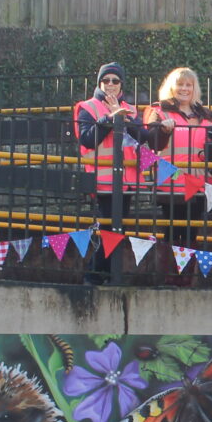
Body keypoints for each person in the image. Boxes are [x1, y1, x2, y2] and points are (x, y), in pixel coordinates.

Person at [73, 61, 146, 284]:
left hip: (126, 180)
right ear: (99, 83)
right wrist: (109, 120)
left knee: (118, 229)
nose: (110, 84)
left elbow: (142, 139)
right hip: (102, 179)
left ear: (121, 84)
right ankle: (95, 274)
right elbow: (87, 139)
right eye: (106, 80)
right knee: (109, 228)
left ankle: (104, 274)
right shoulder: (88, 107)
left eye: (115, 80)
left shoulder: (131, 109)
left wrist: (125, 119)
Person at [143, 67, 212, 269]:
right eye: (180, 84)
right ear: (171, 87)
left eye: (189, 84)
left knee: (191, 232)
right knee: (171, 230)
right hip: (171, 182)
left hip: (199, 183)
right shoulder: (158, 111)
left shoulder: (207, 114)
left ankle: (186, 277)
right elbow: (153, 143)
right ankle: (168, 275)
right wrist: (164, 131)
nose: (184, 88)